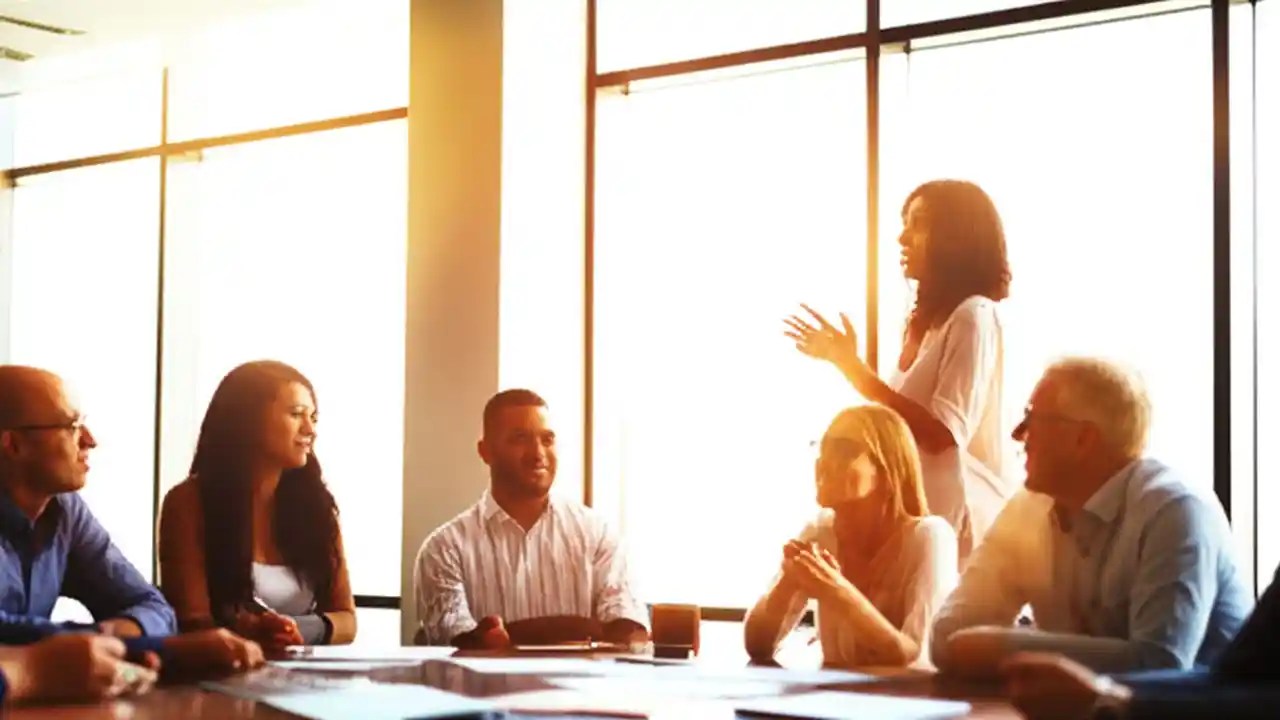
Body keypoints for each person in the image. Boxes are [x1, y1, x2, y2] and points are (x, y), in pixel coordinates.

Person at [930, 357, 1251, 677]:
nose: (1018, 434)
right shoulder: (1027, 508)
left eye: (1031, 418)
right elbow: (947, 640)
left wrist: (1005, 647)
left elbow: (1159, 663)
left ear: (1083, 439)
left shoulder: (1175, 511)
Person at [786, 179, 1013, 559]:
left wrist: (854, 369)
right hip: (918, 515)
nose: (902, 238)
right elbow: (900, 425)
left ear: (954, 236)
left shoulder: (974, 315)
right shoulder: (926, 323)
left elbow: (944, 432)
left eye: (917, 223)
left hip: (955, 525)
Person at [0, 365, 265, 682]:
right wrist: (149, 646)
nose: (90, 440)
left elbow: (152, 605)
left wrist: (113, 636)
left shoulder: (65, 511)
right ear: (14, 444)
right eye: (71, 426)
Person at [414, 389, 648, 648]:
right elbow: (460, 646)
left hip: (581, 690)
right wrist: (583, 630)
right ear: (485, 452)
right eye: (519, 439)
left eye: (547, 440)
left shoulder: (599, 536)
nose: (537, 454)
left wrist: (513, 637)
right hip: (486, 689)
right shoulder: (443, 550)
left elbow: (628, 634)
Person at [159, 361, 356, 653]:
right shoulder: (188, 503)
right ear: (247, 419)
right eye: (296, 414)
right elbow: (191, 620)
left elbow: (347, 620)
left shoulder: (317, 508)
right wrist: (247, 630)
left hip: (302, 682)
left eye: (313, 417)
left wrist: (295, 629)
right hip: (221, 674)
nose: (310, 430)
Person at [743, 405, 957, 667]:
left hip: (907, 704)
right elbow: (757, 647)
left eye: (844, 450)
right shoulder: (819, 534)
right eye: (822, 449)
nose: (824, 462)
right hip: (834, 704)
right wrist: (785, 586)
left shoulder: (929, 537)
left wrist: (837, 591)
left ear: (887, 471)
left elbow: (912, 658)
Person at [1004, 564, 1280, 720]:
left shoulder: (1173, 503)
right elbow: (1232, 676)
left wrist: (1116, 703)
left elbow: (1159, 656)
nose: (1024, 456)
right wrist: (1097, 690)